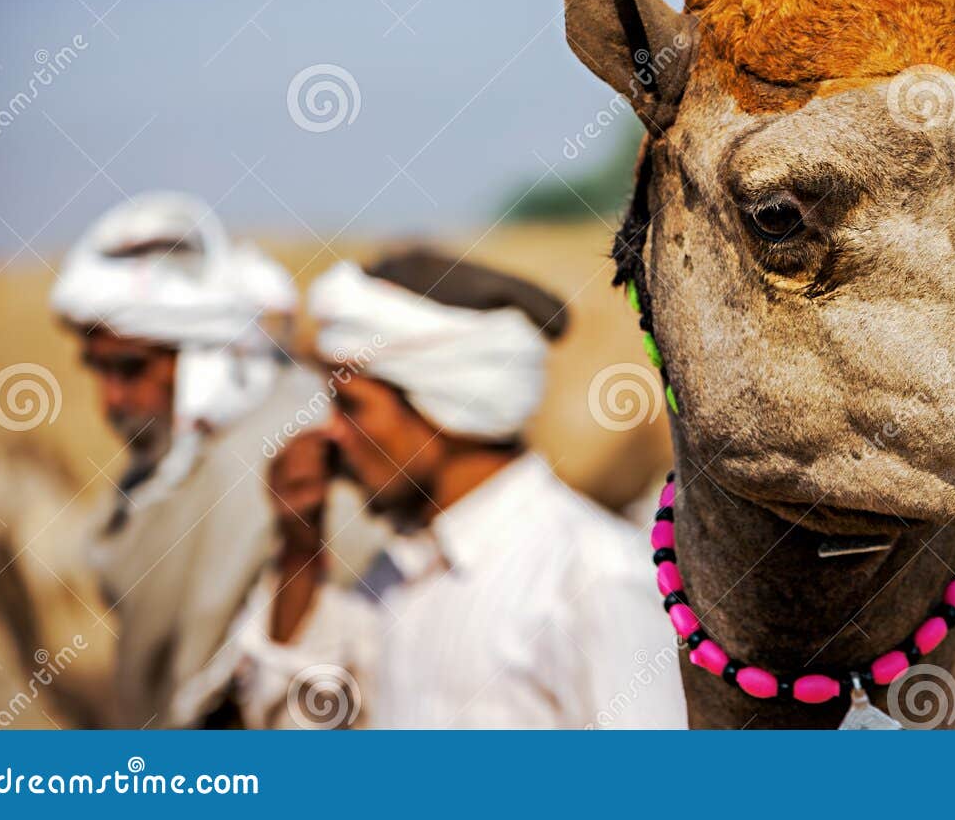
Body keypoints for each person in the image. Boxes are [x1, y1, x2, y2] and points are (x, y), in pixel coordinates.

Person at [230, 250, 686, 729]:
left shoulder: (592, 576)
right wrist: (300, 548)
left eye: (352, 407)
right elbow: (292, 731)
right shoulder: (394, 576)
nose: (332, 434)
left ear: (444, 407)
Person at [49, 193, 376, 727]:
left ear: (206, 363)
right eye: (97, 370)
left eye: (130, 369)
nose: (110, 400)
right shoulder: (171, 469)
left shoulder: (288, 444)